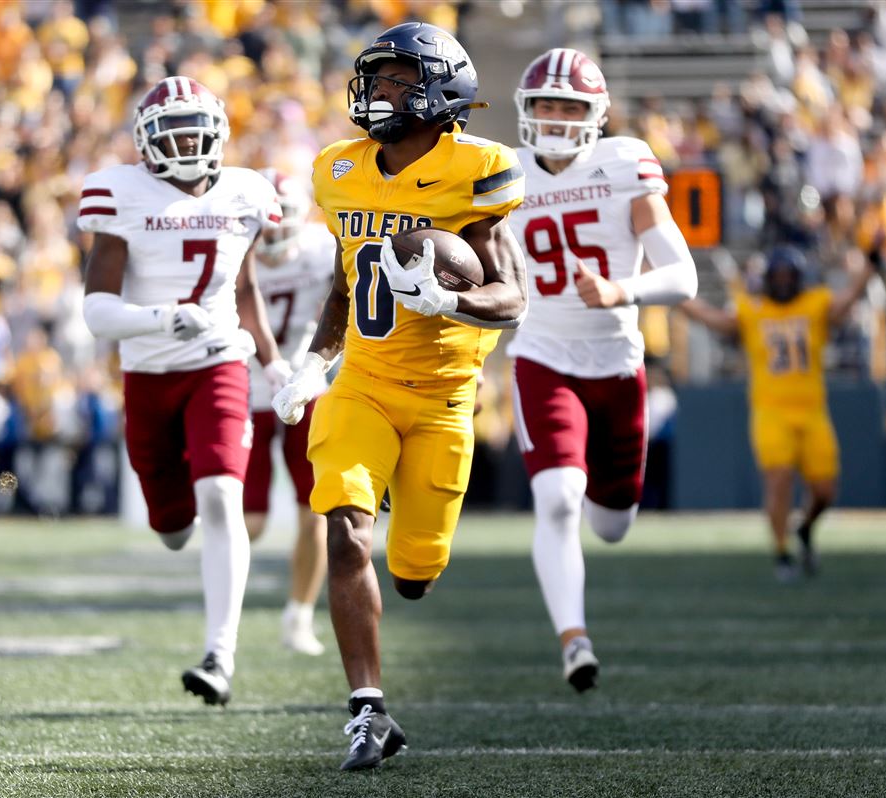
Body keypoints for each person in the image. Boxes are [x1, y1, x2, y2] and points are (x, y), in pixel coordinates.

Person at [271, 22, 527, 771]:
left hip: (445, 397)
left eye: (395, 78)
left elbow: (512, 297)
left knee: (415, 574)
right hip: (364, 385)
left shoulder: (477, 168)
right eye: (375, 77)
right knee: (346, 532)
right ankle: (367, 712)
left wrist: (451, 303)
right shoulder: (339, 168)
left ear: (440, 90)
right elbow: (345, 282)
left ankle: (408, 582)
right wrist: (313, 363)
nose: (378, 90)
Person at [79, 76, 287, 706]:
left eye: (194, 130)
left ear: (217, 133)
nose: (186, 142)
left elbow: (244, 288)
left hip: (218, 363)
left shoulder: (246, 192)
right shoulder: (121, 193)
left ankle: (220, 654)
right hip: (148, 373)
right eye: (171, 131)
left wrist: (273, 363)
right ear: (146, 141)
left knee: (222, 497)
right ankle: (178, 526)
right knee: (171, 526)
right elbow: (97, 311)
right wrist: (163, 318)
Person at [506, 48, 698, 693]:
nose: (555, 118)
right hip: (542, 355)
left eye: (568, 106)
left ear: (596, 114)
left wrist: (622, 291)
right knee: (558, 498)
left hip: (615, 362)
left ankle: (596, 494)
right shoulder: (502, 174)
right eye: (545, 105)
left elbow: (683, 275)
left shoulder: (623, 164)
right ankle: (574, 639)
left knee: (613, 525)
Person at [679, 245, 876, 581]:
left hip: (812, 410)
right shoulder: (753, 310)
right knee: (779, 480)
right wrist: (674, 295)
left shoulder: (815, 303)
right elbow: (713, 319)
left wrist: (869, 268)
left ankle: (805, 528)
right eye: (778, 276)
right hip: (770, 411)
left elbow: (847, 301)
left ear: (799, 278)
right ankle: (782, 552)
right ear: (768, 279)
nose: (783, 282)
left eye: (789, 276)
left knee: (825, 491)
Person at [244, 169, 334, 656]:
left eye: (283, 219)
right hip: (244, 388)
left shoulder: (321, 248)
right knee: (251, 523)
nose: (274, 232)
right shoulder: (232, 250)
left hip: (305, 386)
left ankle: (299, 616)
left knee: (316, 511)